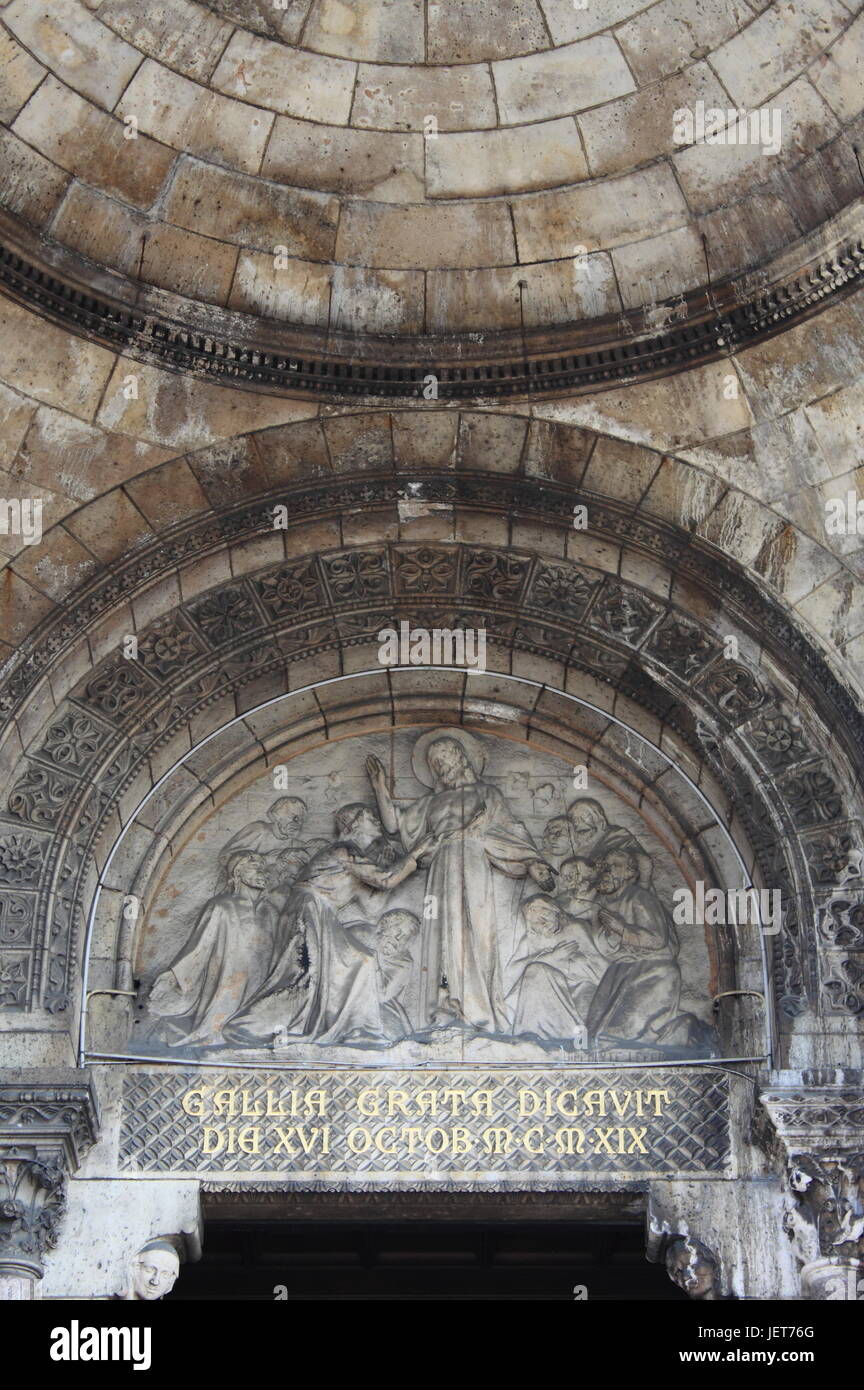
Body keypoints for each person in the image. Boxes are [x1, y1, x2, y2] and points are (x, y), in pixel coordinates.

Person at [366, 730, 555, 1035]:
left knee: (476, 934)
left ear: (461, 757)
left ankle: (477, 1011)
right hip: (441, 868)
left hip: (474, 866)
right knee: (442, 932)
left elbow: (511, 830)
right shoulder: (431, 802)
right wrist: (379, 787)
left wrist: (534, 862)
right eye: (434, 762)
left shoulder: (486, 794)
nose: (440, 766)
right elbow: (394, 825)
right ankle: (444, 1006)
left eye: (445, 758)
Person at [227, 805, 436, 1047]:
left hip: (317, 913)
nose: (377, 820)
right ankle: (268, 1027)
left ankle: (349, 1026)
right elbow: (385, 880)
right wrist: (416, 853)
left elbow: (373, 906)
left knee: (322, 971)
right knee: (310, 974)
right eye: (370, 816)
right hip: (309, 910)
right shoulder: (344, 849)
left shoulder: (355, 858)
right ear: (351, 825)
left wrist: (395, 866)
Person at [146, 852, 276, 1048]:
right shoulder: (221, 906)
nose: (262, 873)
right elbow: (200, 946)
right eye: (255, 868)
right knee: (217, 1028)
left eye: (263, 869)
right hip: (227, 981)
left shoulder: (271, 911)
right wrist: (172, 976)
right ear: (237, 873)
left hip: (262, 980)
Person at [585, 849, 683, 1047]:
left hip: (654, 968)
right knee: (594, 1025)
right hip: (621, 968)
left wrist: (622, 929)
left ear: (629, 874)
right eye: (605, 866)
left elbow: (657, 940)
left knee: (623, 1025)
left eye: (616, 866)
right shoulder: (601, 903)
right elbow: (603, 946)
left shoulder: (639, 898)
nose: (607, 871)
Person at [507, 894, 589, 1047]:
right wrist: (549, 958)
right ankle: (531, 1033)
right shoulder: (529, 940)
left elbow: (594, 965)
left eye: (544, 913)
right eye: (532, 916)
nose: (539, 921)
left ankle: (567, 1036)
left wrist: (564, 962)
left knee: (537, 971)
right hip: (538, 993)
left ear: (555, 911)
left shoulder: (574, 930)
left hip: (574, 988)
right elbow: (511, 973)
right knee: (536, 971)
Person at [566, 798, 654, 887]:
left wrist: (642, 887)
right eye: (575, 819)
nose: (578, 823)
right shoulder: (580, 846)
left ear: (598, 817)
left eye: (584, 817)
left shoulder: (618, 836)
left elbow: (645, 862)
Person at [375, 909, 421, 1041]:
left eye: (404, 938)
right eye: (396, 933)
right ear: (384, 928)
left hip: (380, 1006)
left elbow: (382, 996)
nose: (397, 941)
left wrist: (373, 963)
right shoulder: (367, 937)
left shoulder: (404, 964)